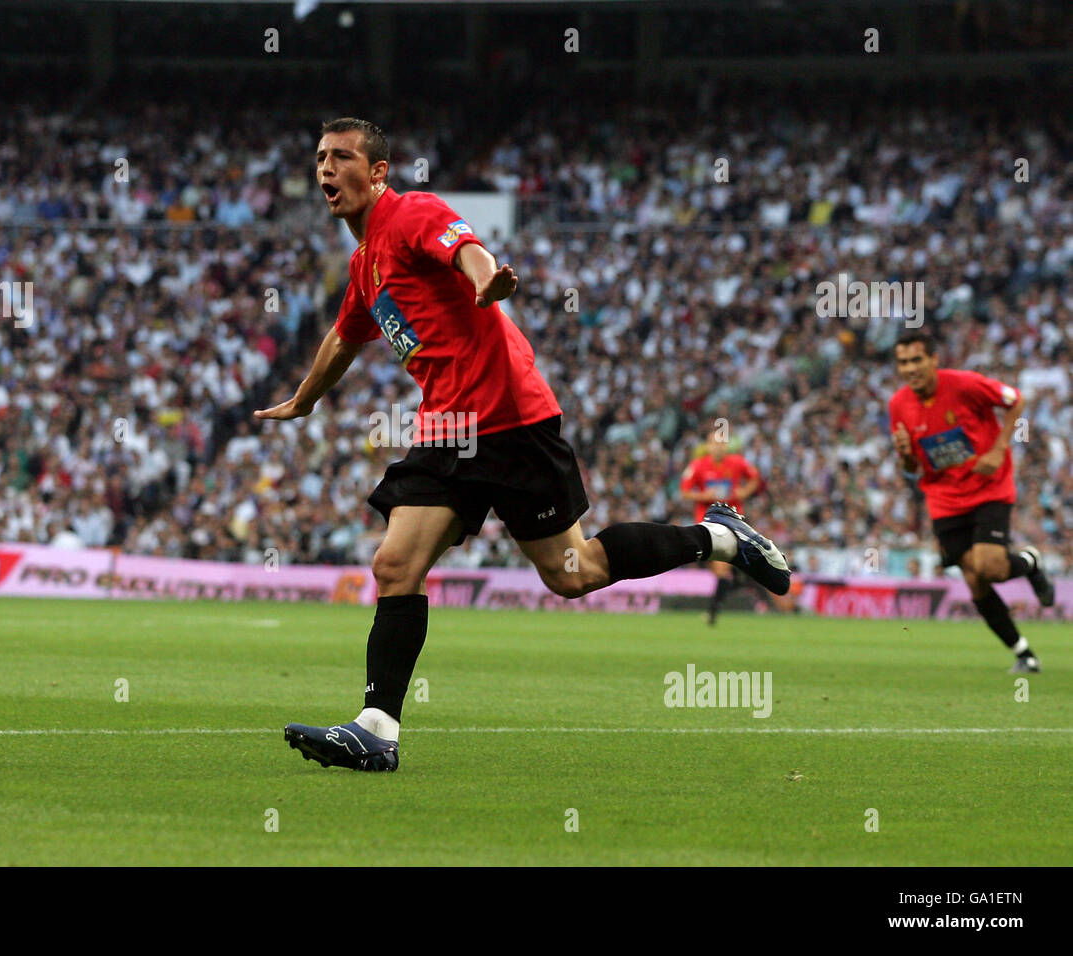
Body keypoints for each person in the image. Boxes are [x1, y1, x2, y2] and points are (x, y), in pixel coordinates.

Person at [255, 118, 791, 772]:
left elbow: (466, 249)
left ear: (378, 174)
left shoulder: (411, 213)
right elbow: (344, 336)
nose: (326, 170)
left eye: (342, 158)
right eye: (319, 158)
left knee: (575, 574)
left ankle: (720, 536)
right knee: (395, 566)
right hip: (447, 429)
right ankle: (377, 731)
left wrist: (486, 280)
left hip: (509, 418)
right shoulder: (365, 263)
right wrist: (306, 398)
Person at [888, 330, 1053, 673]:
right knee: (975, 579)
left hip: (987, 487)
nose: (910, 368)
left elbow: (1015, 399)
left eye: (917, 359)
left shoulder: (964, 384)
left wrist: (999, 448)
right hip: (944, 500)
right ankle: (1024, 653)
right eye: (903, 362)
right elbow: (912, 467)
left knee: (990, 566)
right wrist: (904, 456)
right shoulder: (898, 405)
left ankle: (1030, 562)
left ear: (934, 359)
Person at [680, 426, 796, 624]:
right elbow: (685, 492)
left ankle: (714, 612)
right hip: (707, 522)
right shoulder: (698, 466)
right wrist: (703, 496)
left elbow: (754, 477)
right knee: (726, 569)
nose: (718, 447)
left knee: (723, 568)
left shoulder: (737, 462)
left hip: (734, 522)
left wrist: (744, 492)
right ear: (708, 446)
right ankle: (747, 592)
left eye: (722, 443)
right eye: (714, 443)